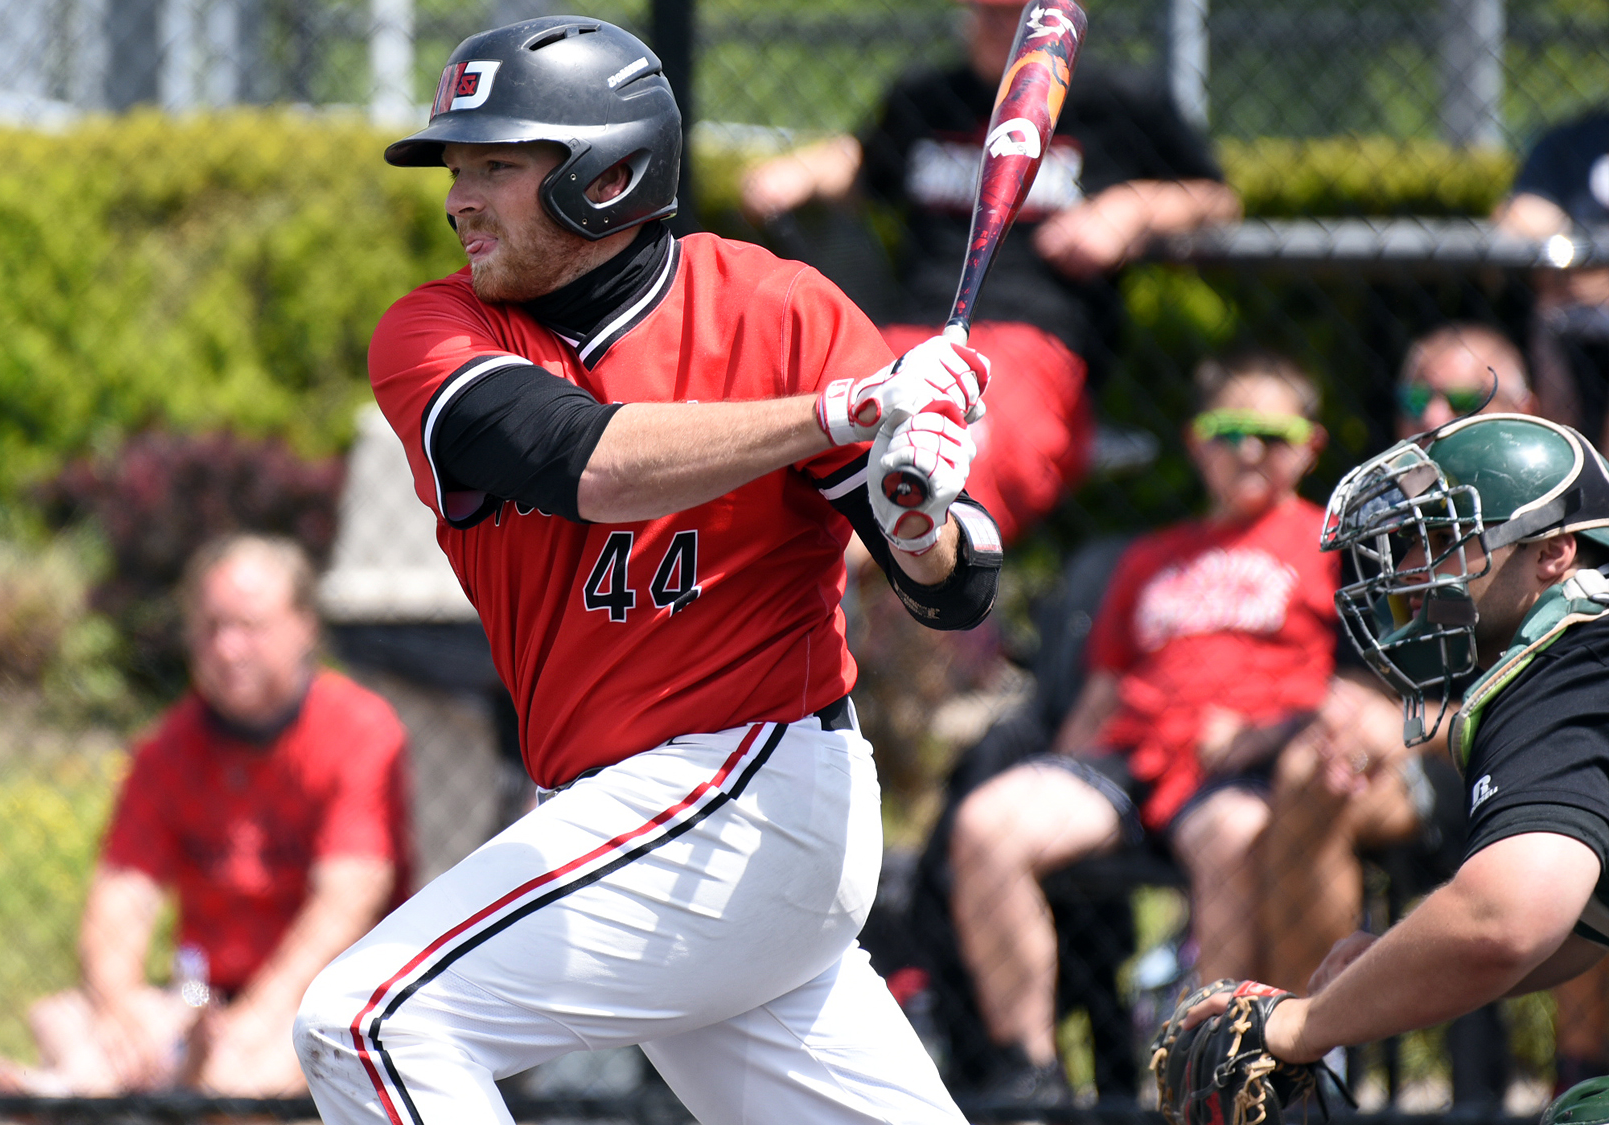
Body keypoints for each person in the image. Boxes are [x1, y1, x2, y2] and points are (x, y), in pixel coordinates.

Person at [292, 17, 1004, 1124]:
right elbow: (585, 463)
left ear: (607, 173)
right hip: (634, 818)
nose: (456, 199)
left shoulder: (777, 309)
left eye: (495, 166)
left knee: (369, 1023)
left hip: (749, 782)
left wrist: (919, 509)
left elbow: (950, 588)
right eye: (455, 167)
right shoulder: (434, 332)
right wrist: (843, 411)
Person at [1171, 411, 1609, 1082]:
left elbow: (1505, 918)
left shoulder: (1574, 655)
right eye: (1411, 542)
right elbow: (1581, 921)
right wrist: (1379, 979)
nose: (1410, 568)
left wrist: (1299, 1024)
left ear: (1553, 553)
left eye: (1446, 538)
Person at [948, 352, 1337, 1098]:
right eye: (1228, 430)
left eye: (1271, 431)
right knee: (988, 824)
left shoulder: (1327, 545)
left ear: (1310, 444)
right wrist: (1062, 773)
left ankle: (1220, 1077)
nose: (1248, 449)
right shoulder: (1150, 558)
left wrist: (1266, 735)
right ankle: (1033, 1078)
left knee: (1229, 834)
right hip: (1135, 754)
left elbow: (1349, 686)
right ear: (1196, 441)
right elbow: (1104, 691)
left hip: (1245, 759)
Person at [739, 0, 1239, 543]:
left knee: (951, 450)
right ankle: (886, 603)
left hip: (1032, 337)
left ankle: (912, 592)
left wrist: (1131, 208)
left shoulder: (1116, 101)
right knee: (826, 438)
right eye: (985, 12)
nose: (997, 26)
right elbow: (867, 162)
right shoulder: (930, 97)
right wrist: (799, 172)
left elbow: (1215, 197)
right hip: (911, 333)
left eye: (1013, 13)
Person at [0, 535, 411, 1096]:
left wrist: (258, 1017)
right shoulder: (167, 749)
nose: (227, 649)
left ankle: (87, 1092)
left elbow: (349, 900)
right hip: (202, 996)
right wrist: (117, 1008)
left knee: (259, 1060)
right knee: (69, 1017)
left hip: (332, 998)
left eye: (249, 627)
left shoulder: (361, 729)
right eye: (210, 627)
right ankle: (114, 1079)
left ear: (305, 628)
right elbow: (121, 900)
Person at [1257, 323, 1531, 995]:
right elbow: (1364, 675)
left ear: (1525, 410)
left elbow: (1565, 710)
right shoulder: (1383, 526)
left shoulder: (1565, 519)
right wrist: (1346, 718)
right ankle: (1304, 1052)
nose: (1433, 416)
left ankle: (1580, 1081)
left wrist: (1416, 729)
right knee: (1312, 770)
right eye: (1418, 396)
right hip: (1437, 772)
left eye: (1462, 397)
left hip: (1545, 767)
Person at [1494, 110, 1609, 454]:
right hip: (1571, 307)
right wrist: (1565, 271)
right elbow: (1516, 216)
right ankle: (1568, 476)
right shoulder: (1575, 138)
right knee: (1548, 316)